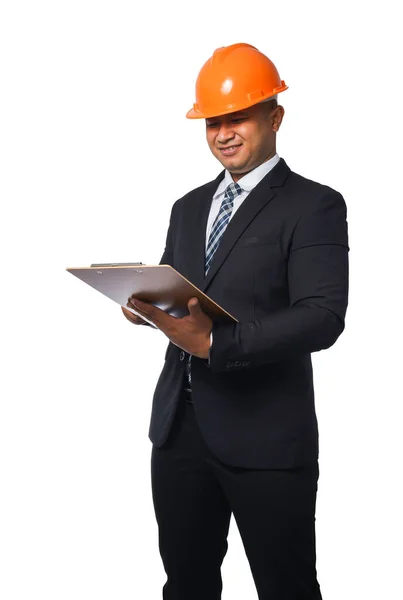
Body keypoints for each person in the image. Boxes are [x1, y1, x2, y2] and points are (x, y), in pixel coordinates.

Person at [122, 42, 349, 600]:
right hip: (180, 431)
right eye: (212, 122)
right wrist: (146, 304)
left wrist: (217, 344)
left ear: (275, 116)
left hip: (267, 437)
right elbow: (188, 297)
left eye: (238, 117)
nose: (223, 133)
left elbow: (322, 317)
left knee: (286, 586)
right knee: (186, 583)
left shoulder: (313, 205)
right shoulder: (188, 206)